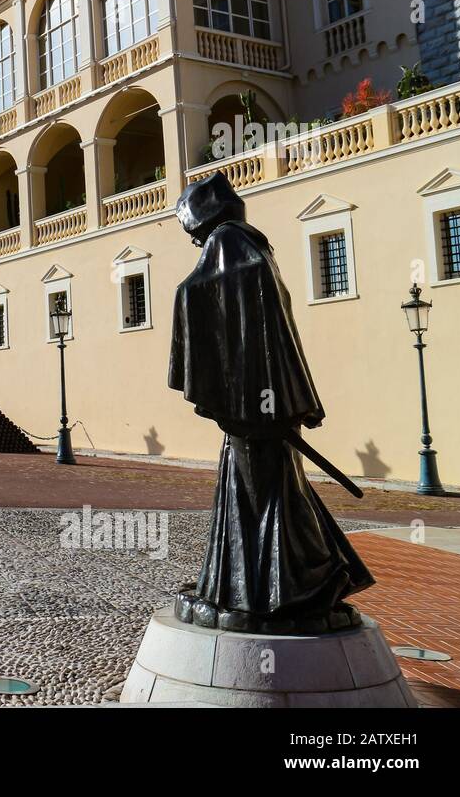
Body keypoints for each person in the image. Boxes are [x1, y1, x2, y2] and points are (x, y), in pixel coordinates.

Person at [169, 172, 373, 633]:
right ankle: (260, 590)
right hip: (266, 405)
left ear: (204, 218)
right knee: (272, 491)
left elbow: (197, 290)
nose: (193, 241)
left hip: (252, 409)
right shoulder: (256, 245)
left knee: (260, 496)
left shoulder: (227, 244)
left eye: (192, 231)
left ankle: (276, 594)